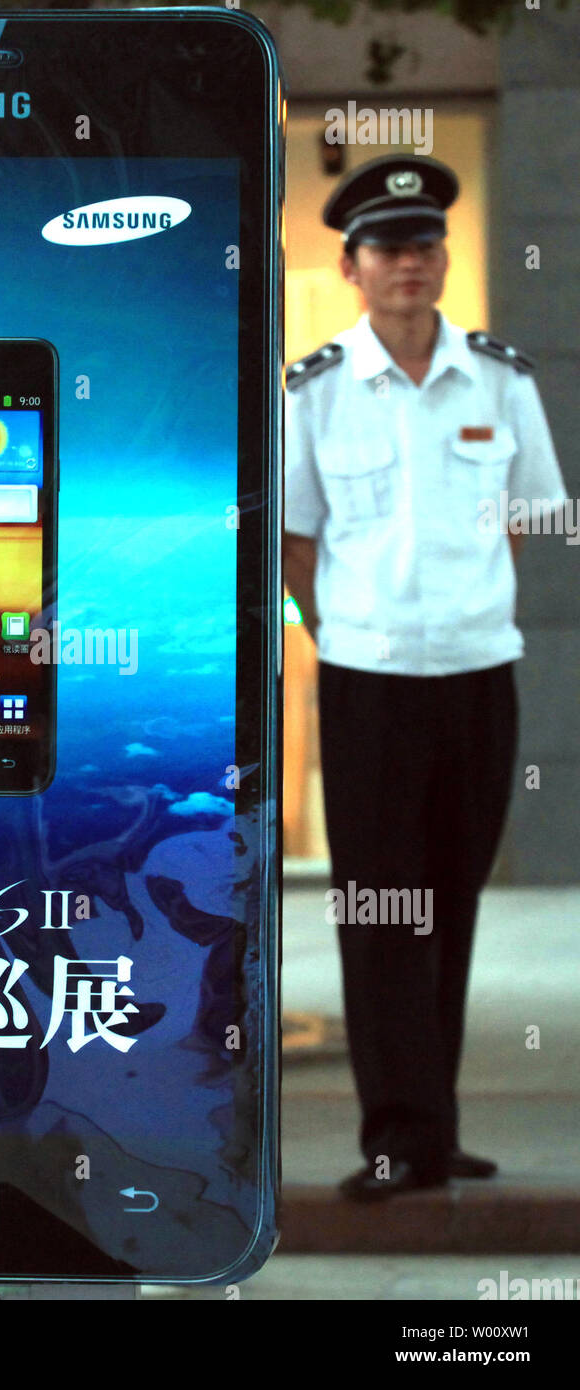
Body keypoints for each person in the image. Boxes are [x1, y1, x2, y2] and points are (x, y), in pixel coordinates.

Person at [283, 154, 567, 1201]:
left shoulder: (500, 380)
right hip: (368, 687)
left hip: (477, 678)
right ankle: (394, 1138)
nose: (407, 263)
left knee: (447, 908)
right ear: (350, 267)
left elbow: (529, 516)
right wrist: (350, 626)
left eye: (422, 246)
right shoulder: (313, 391)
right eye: (385, 248)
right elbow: (293, 540)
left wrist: (462, 607)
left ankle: (433, 1128)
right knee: (381, 913)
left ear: (442, 260)